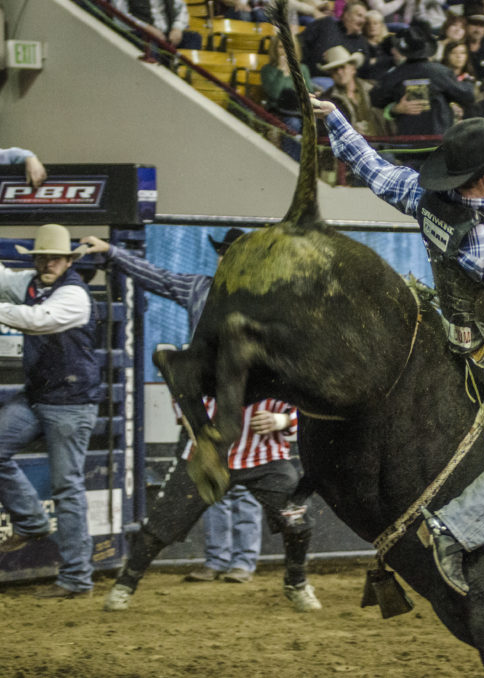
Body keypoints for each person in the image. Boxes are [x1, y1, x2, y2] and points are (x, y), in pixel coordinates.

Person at [310, 101, 484, 596]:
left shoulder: (425, 199)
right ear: (481, 176)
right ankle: (460, 528)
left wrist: (333, 118)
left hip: (441, 325)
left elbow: (374, 170)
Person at [81, 229, 320, 613]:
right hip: (210, 439)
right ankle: (127, 583)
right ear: (222, 260)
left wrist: (283, 418)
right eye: (228, 255)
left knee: (297, 518)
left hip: (263, 445)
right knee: (162, 523)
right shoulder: (199, 290)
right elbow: (155, 276)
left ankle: (296, 581)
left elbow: (300, 371)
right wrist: (112, 251)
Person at [0, 224, 100, 599]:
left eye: (54, 258)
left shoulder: (74, 295)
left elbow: (39, 320)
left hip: (70, 403)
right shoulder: (30, 283)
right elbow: (4, 279)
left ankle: (77, 578)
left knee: (67, 488)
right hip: (42, 395)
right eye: (42, 256)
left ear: (68, 261)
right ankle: (31, 521)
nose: (47, 263)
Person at [370, 23, 477, 138]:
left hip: (406, 145)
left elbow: (375, 98)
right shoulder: (441, 72)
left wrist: (394, 109)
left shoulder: (395, 74)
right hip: (437, 143)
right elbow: (468, 95)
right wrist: (468, 81)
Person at [262, 33, 318, 161]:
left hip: (300, 110)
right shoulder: (268, 70)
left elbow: (309, 91)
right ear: (275, 49)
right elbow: (274, 94)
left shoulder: (302, 69)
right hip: (278, 111)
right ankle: (291, 162)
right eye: (281, 47)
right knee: (293, 123)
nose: (285, 51)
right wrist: (282, 71)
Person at [319, 46, 390, 137]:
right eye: (335, 70)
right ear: (331, 75)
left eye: (342, 67)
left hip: (381, 144)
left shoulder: (374, 89)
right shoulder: (327, 100)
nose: (339, 72)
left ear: (353, 69)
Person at [300, 0, 371, 89]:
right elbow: (300, 42)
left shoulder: (362, 42)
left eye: (364, 17)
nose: (363, 20)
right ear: (346, 15)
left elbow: (365, 70)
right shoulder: (326, 24)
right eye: (359, 15)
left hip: (345, 84)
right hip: (315, 78)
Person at [111, 0, 203, 50]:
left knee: (194, 38)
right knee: (150, 45)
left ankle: (187, 79)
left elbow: (181, 8)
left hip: (167, 33)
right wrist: (146, 28)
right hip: (140, 33)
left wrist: (177, 28)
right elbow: (120, 15)